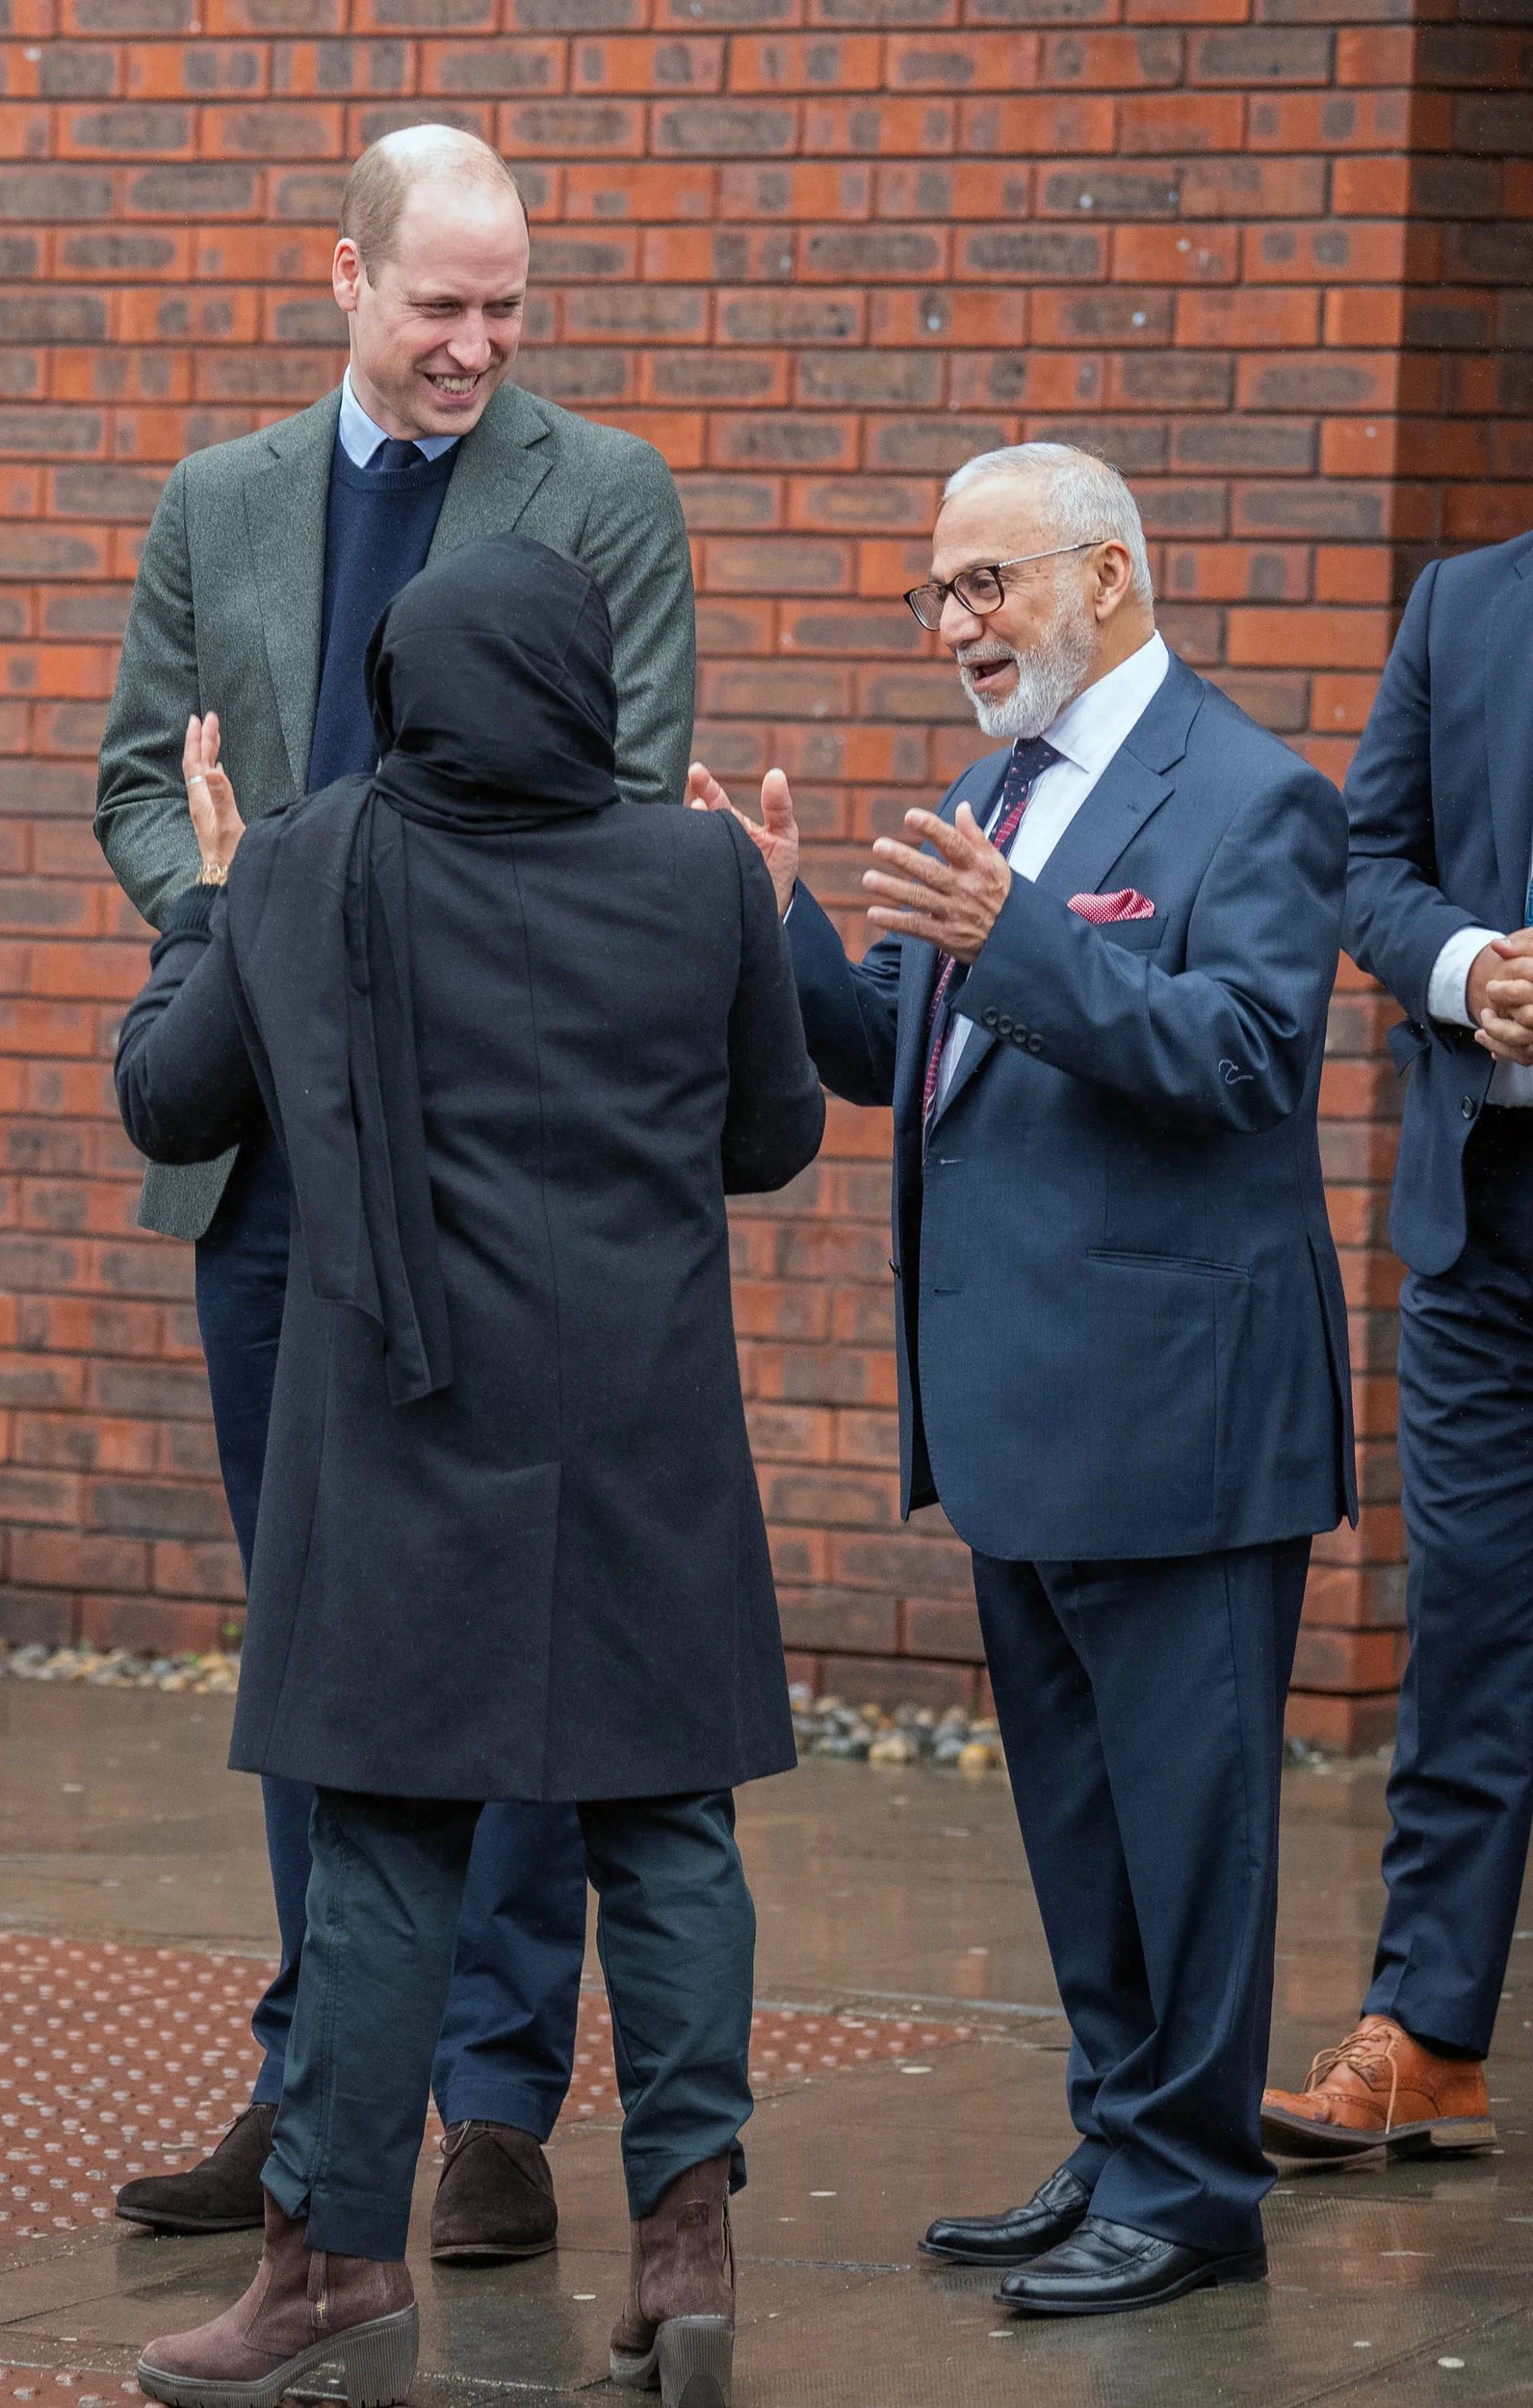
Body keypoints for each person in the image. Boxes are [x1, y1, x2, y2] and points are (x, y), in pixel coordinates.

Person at [114, 533, 822, 2408]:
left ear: (400, 693)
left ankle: (330, 2266)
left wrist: (201, 900)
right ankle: (682, 2252)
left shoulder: (301, 862)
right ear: (585, 690)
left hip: (400, 1449)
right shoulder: (693, 874)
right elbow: (766, 1137)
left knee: (382, 1851)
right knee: (666, 1834)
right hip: (640, 1441)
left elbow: (166, 1103)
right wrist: (755, 919)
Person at [92, 122, 700, 2260]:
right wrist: (245, 921)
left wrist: (317, 929)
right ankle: (319, 2078)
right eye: (436, 301)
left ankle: (494, 2101)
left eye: (503, 304)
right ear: (334, 277)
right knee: (319, 1646)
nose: (473, 343)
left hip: (510, 1162)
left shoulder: (601, 497)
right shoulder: (221, 501)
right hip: (277, 1155)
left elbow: (621, 811)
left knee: (518, 1642)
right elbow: (130, 780)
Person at [714, 442, 1353, 2317]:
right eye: (933, 594)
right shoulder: (983, 794)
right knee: (1080, 1828)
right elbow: (896, 1061)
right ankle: (1121, 2135)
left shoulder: (1249, 797)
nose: (954, 626)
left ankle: (1196, 2180)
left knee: (1185, 1827)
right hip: (1011, 1421)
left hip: (1179, 1427)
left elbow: (1240, 1056)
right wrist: (783, 926)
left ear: (1106, 576)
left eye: (984, 585)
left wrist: (1005, 947)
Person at [1260, 530, 1533, 2163]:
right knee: (1470, 1634)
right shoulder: (1463, 602)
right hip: (1482, 1224)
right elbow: (1369, 864)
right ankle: (1428, 2036)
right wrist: (1464, 969)